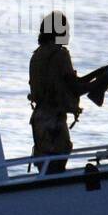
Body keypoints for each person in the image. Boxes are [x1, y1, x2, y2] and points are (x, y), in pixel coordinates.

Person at [28, 10, 83, 174]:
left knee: (46, 173)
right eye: (65, 28)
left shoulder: (36, 56)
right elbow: (74, 86)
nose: (68, 33)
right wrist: (102, 79)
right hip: (54, 122)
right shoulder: (60, 54)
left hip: (39, 119)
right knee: (57, 170)